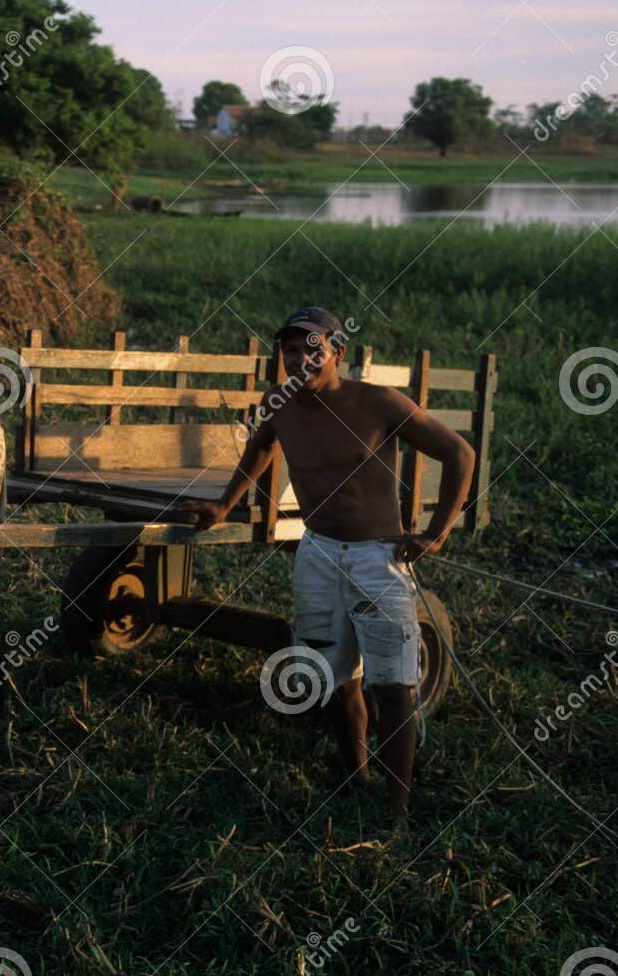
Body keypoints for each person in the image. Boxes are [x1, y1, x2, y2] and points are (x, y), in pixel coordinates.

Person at [183, 306, 475, 820]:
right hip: (316, 552)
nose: (300, 360)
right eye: (291, 351)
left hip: (376, 558)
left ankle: (395, 808)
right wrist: (225, 505)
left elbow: (459, 453)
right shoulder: (280, 404)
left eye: (312, 348)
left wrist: (437, 533)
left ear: (337, 352)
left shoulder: (377, 403)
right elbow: (260, 448)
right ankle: (355, 778)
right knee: (332, 678)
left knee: (391, 685)